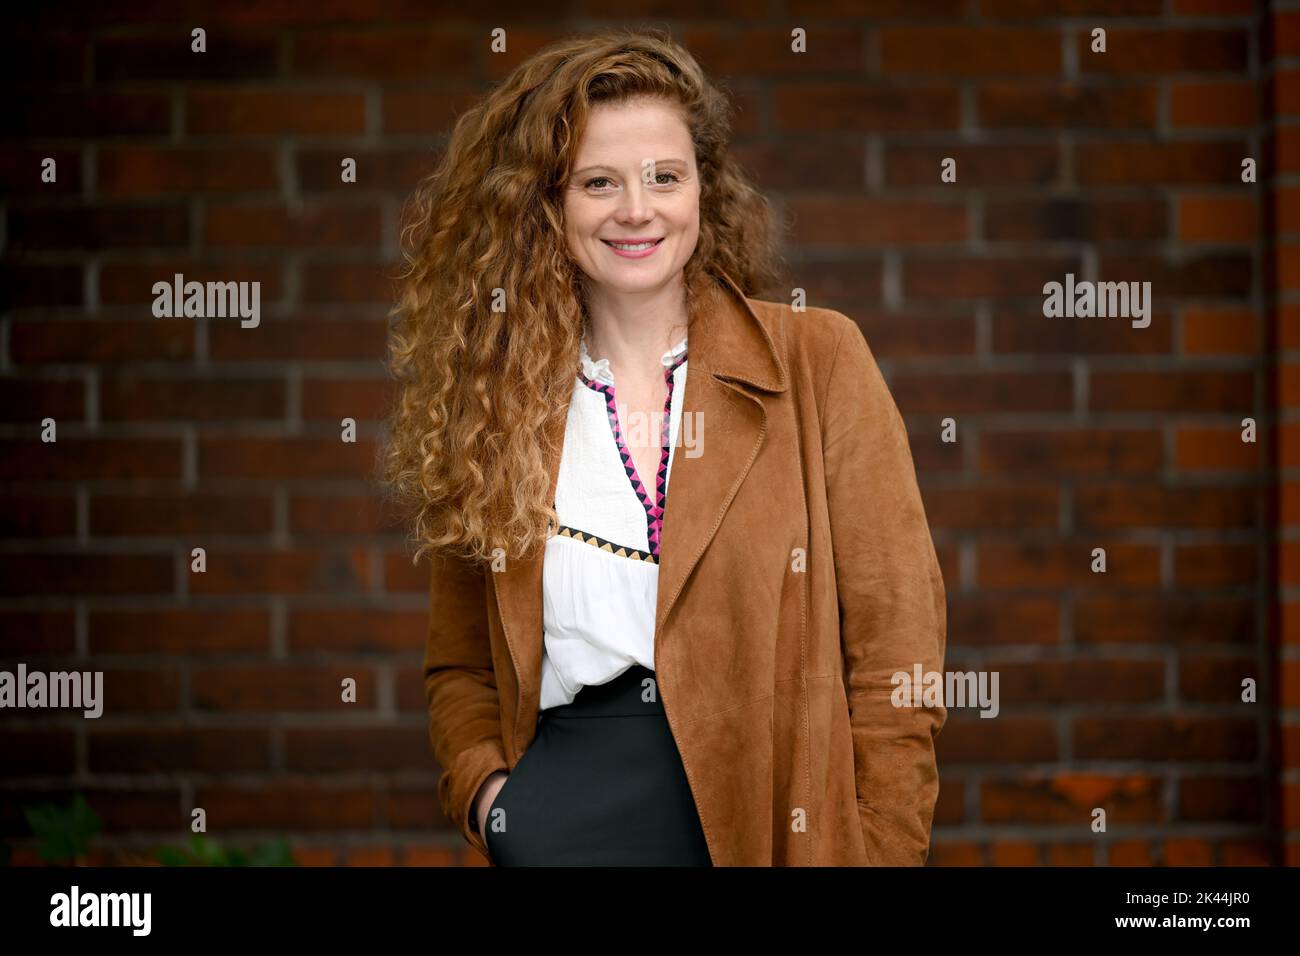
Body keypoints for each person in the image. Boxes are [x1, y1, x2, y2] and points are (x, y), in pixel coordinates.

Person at [380, 27, 948, 866]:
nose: (637, 209)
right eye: (598, 182)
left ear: (702, 192)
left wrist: (882, 848)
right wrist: (497, 804)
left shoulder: (818, 361)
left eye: (664, 177)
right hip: (569, 819)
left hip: (775, 808)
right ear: (546, 204)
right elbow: (460, 667)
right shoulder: (495, 405)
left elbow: (900, 648)